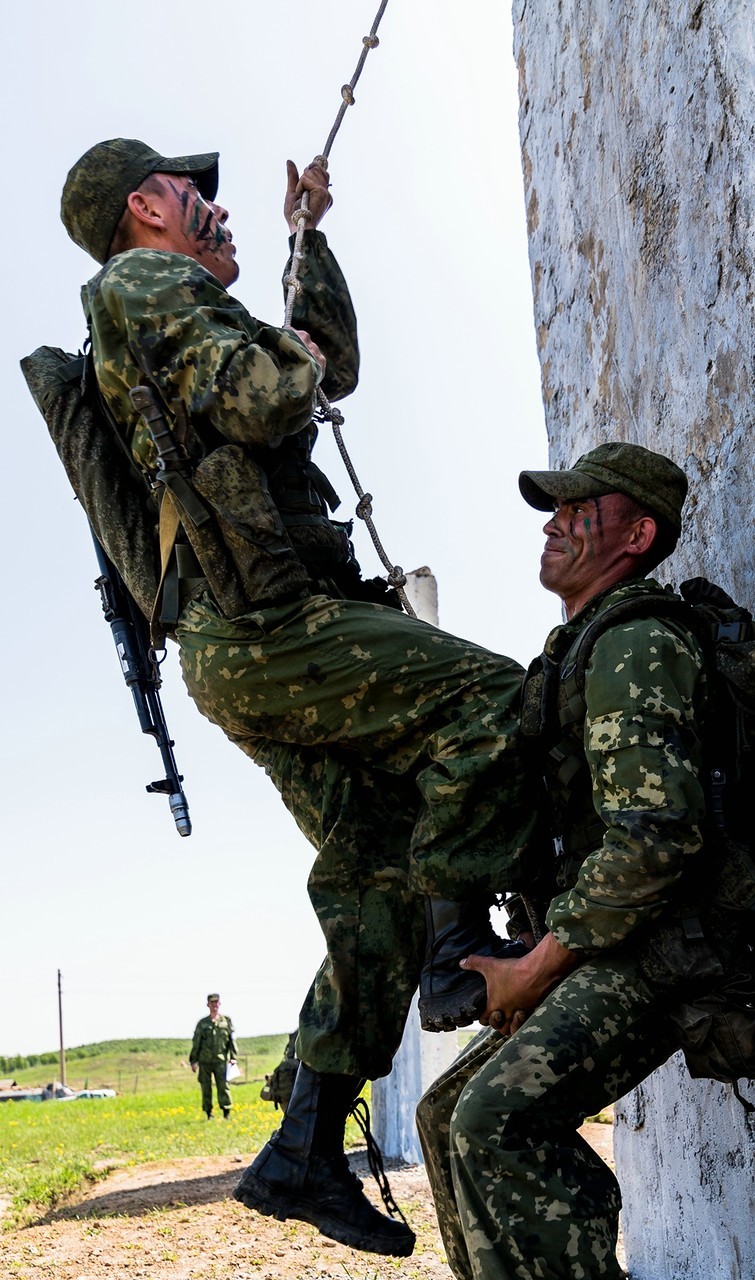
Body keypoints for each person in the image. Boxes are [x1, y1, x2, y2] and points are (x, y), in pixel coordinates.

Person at [50, 138, 536, 1257]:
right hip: (269, 629)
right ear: (144, 206)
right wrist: (287, 337)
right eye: (193, 192)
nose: (214, 207)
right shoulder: (141, 280)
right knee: (492, 698)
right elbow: (274, 394)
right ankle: (457, 944)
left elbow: (329, 365)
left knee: (370, 866)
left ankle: (302, 1147)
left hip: (243, 646)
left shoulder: (158, 302)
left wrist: (305, 241)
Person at [416, 442, 709, 1280]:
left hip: (660, 944)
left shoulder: (633, 641)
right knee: (445, 1112)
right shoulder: (575, 649)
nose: (555, 522)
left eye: (581, 509)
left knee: (497, 1122)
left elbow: (655, 837)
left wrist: (539, 967)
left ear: (635, 534)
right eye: (556, 508)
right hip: (609, 938)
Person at [190, 993, 238, 1119]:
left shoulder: (226, 1021)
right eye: (212, 1002)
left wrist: (233, 1057)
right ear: (208, 1004)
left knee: (223, 1086)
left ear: (219, 1004)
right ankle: (208, 1113)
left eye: (216, 1002)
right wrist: (193, 1061)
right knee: (206, 1087)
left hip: (221, 1060)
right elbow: (196, 1043)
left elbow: (232, 1040)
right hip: (205, 1061)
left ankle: (226, 1111)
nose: (214, 1005)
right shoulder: (202, 1023)